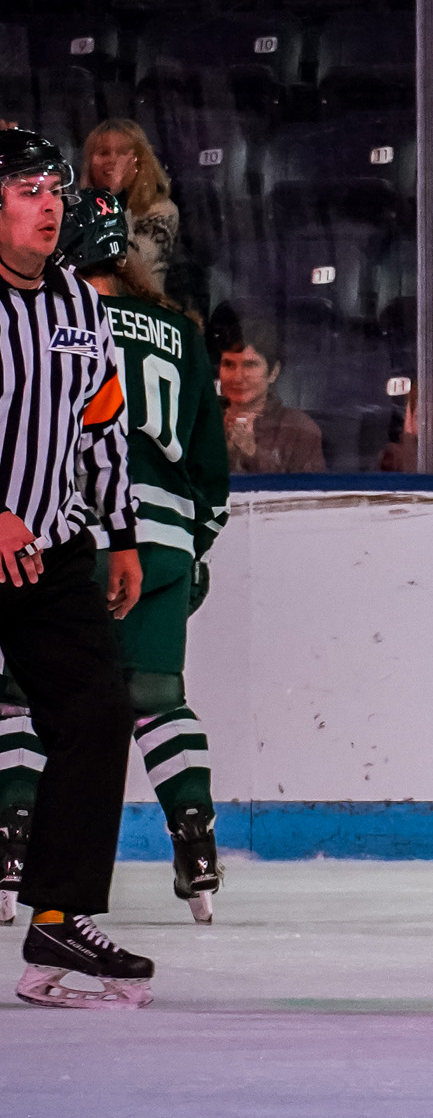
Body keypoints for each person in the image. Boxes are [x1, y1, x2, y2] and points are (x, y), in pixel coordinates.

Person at [0, 185, 232, 927]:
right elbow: (209, 465)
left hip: (65, 532)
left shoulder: (52, 315)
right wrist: (193, 548)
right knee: (158, 693)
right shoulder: (179, 329)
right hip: (159, 539)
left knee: (24, 695)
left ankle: (13, 841)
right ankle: (195, 843)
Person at [0, 127, 153, 1008]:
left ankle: (59, 911)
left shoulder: (79, 309)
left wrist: (122, 535)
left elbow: (101, 429)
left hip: (52, 554)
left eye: (53, 189)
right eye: (26, 190)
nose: (49, 203)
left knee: (97, 712)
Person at [82, 119, 179, 298]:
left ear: (138, 161)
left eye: (121, 153)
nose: (112, 161)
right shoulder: (78, 212)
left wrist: (113, 196)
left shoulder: (162, 210)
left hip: (142, 311)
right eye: (103, 153)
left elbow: (139, 271)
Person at [218, 318, 325, 474]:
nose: (238, 377)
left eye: (250, 365)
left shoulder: (301, 431)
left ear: (273, 372)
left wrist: (253, 454)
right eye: (228, 364)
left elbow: (310, 494)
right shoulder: (200, 421)